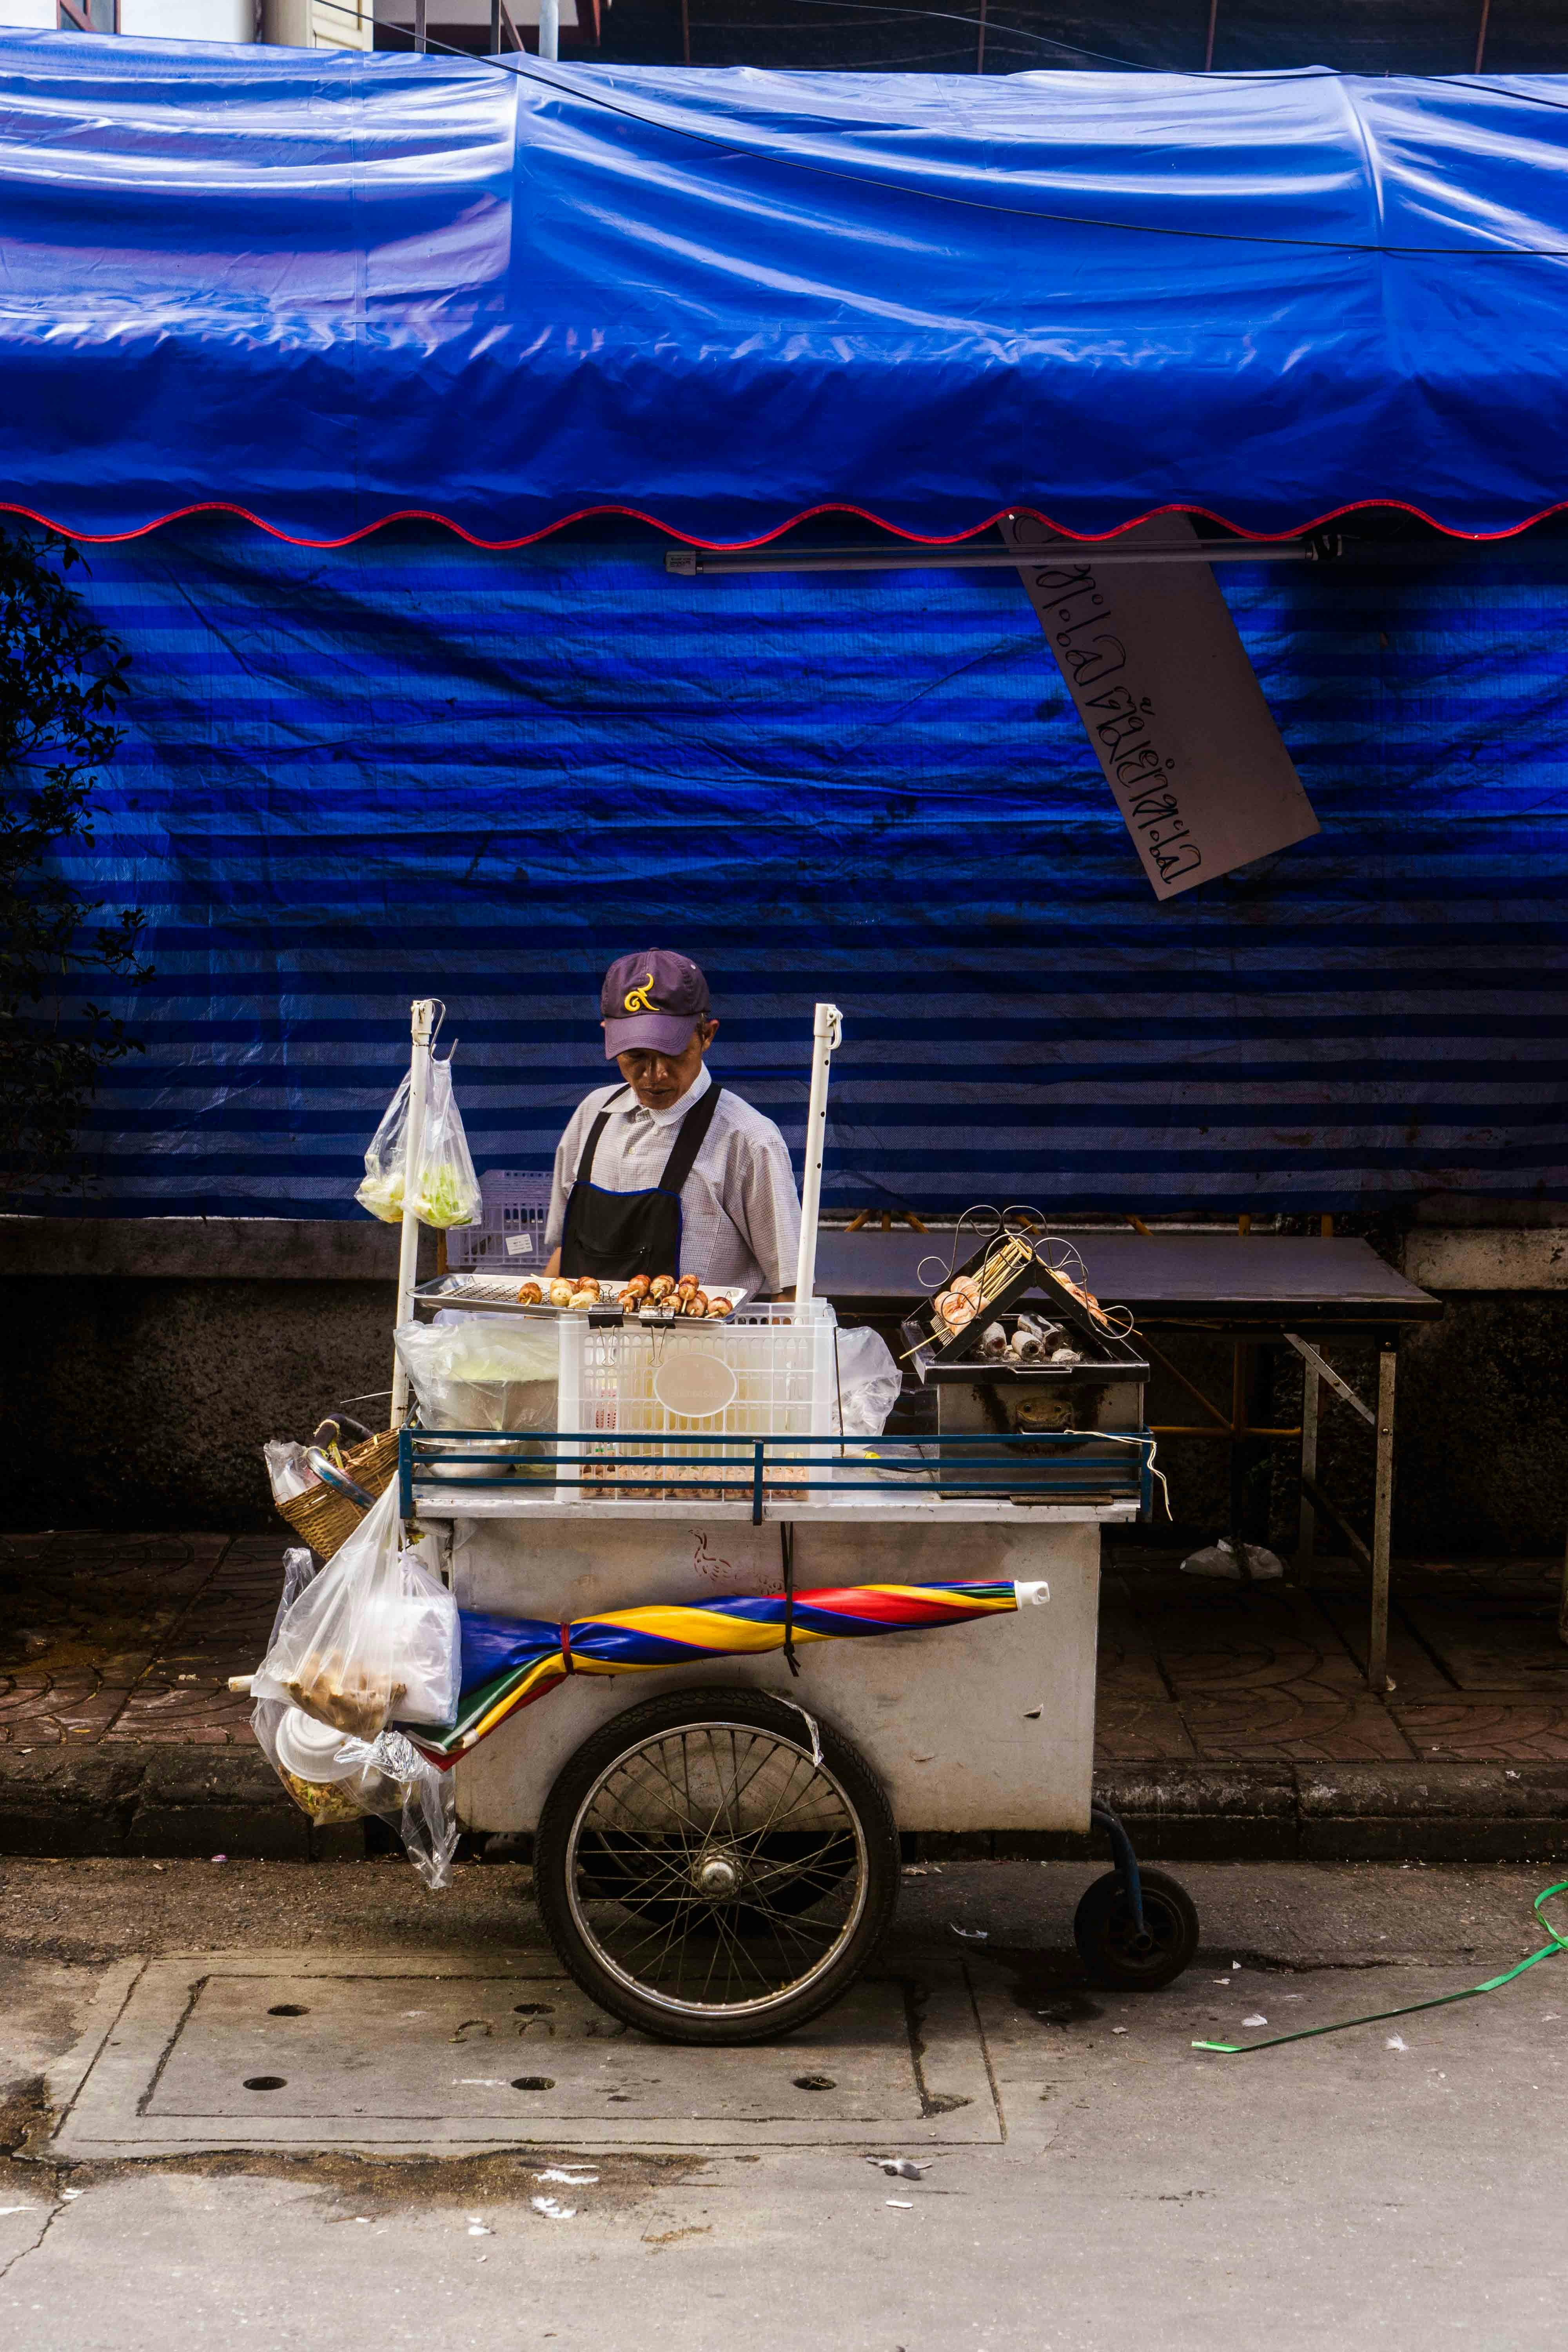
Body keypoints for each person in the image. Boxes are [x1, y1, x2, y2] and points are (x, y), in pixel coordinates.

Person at [544, 949, 801, 1296]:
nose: (654, 1075)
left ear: (707, 1036)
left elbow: (791, 1289)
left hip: (700, 1350)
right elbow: (565, 1251)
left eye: (674, 1053)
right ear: (608, 1036)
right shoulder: (593, 1114)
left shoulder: (748, 1140)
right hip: (583, 1348)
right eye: (635, 1056)